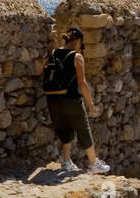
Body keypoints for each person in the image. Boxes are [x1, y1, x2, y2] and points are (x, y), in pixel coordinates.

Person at [43, 27, 111, 174]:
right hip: (71, 98)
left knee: (64, 129)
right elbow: (82, 83)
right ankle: (94, 163)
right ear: (78, 41)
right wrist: (90, 104)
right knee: (83, 129)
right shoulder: (76, 57)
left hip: (52, 98)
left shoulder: (53, 53)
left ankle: (66, 161)